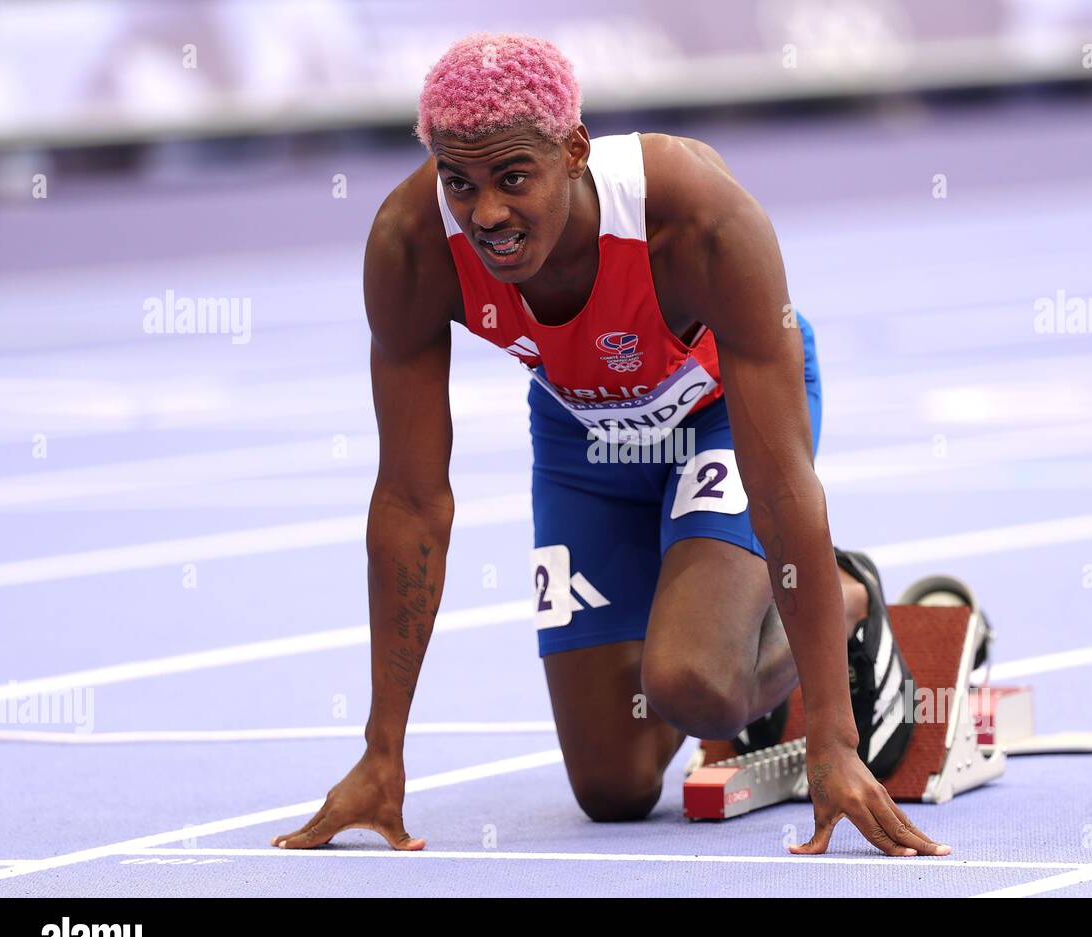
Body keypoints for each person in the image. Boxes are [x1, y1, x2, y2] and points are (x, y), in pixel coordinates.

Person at [273, 32, 949, 858]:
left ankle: (843, 594)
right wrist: (383, 751)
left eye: (513, 178)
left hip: (719, 406)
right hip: (580, 429)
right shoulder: (411, 246)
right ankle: (723, 618)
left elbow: (780, 487)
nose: (486, 214)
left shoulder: (698, 218)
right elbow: (412, 502)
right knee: (613, 787)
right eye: (460, 183)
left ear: (574, 151)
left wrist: (833, 740)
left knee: (692, 685)